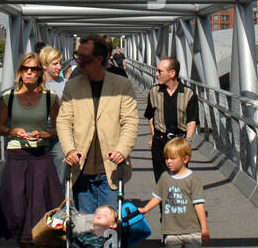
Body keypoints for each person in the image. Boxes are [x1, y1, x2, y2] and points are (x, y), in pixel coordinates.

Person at [0, 52, 63, 248]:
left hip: (40, 157)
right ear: (20, 71)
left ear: (40, 72)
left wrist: (43, 134)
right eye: (26, 68)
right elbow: (1, 127)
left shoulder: (50, 98)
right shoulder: (9, 97)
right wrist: (14, 132)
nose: (30, 72)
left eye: (34, 69)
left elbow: (57, 129)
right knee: (16, 209)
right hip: (16, 156)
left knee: (37, 212)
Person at [56, 34, 139, 215]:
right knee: (84, 227)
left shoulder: (122, 85)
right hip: (81, 166)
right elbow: (63, 121)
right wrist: (69, 150)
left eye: (84, 58)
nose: (78, 61)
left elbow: (130, 122)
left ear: (99, 59)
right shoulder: (72, 86)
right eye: (77, 56)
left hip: (110, 167)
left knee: (109, 224)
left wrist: (122, 150)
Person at [137, 137, 209, 248]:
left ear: (185, 159)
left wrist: (204, 229)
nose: (168, 162)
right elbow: (158, 197)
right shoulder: (164, 178)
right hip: (171, 230)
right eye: (167, 158)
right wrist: (145, 209)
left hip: (191, 229)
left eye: (173, 158)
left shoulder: (193, 180)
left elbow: (199, 205)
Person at [144, 56, 199, 183]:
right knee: (161, 182)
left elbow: (192, 120)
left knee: (180, 182)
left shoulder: (188, 94)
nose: (156, 74)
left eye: (160, 71)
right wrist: (153, 135)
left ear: (172, 73)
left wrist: (188, 142)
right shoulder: (154, 92)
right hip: (159, 142)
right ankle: (163, 203)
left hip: (179, 142)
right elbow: (150, 115)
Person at [38, 45, 70, 186]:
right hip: (39, 131)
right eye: (55, 63)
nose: (59, 67)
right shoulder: (34, 84)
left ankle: (58, 201)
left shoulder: (66, 85)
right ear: (44, 65)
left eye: (60, 63)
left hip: (59, 132)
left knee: (60, 161)